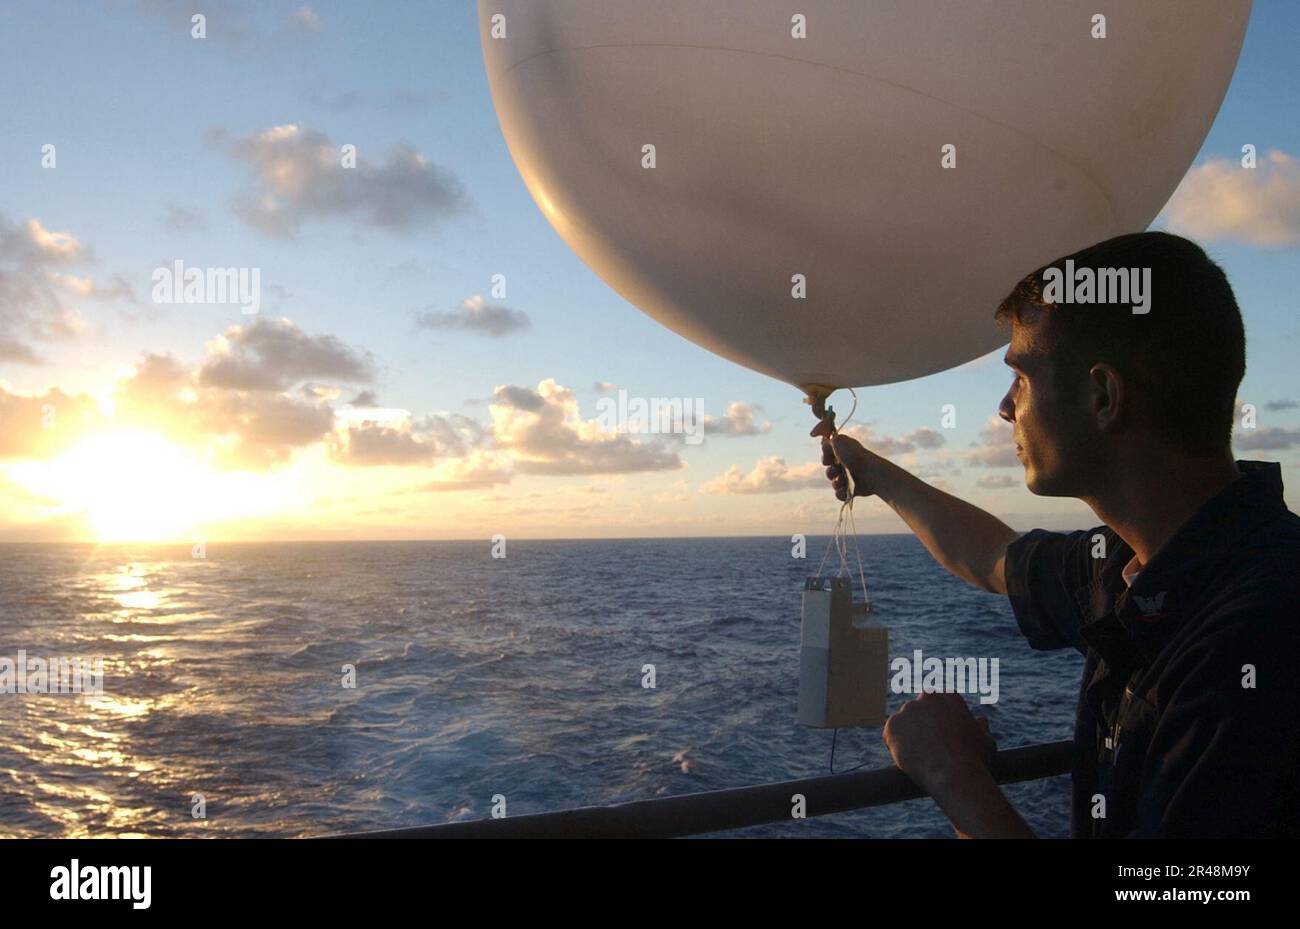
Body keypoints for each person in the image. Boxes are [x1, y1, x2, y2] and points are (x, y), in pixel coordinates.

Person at [823, 231, 1300, 838]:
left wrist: (952, 775)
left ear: (1102, 396)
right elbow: (994, 556)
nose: (1004, 406)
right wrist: (875, 474)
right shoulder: (1132, 565)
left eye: (1021, 377)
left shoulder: (1255, 644)